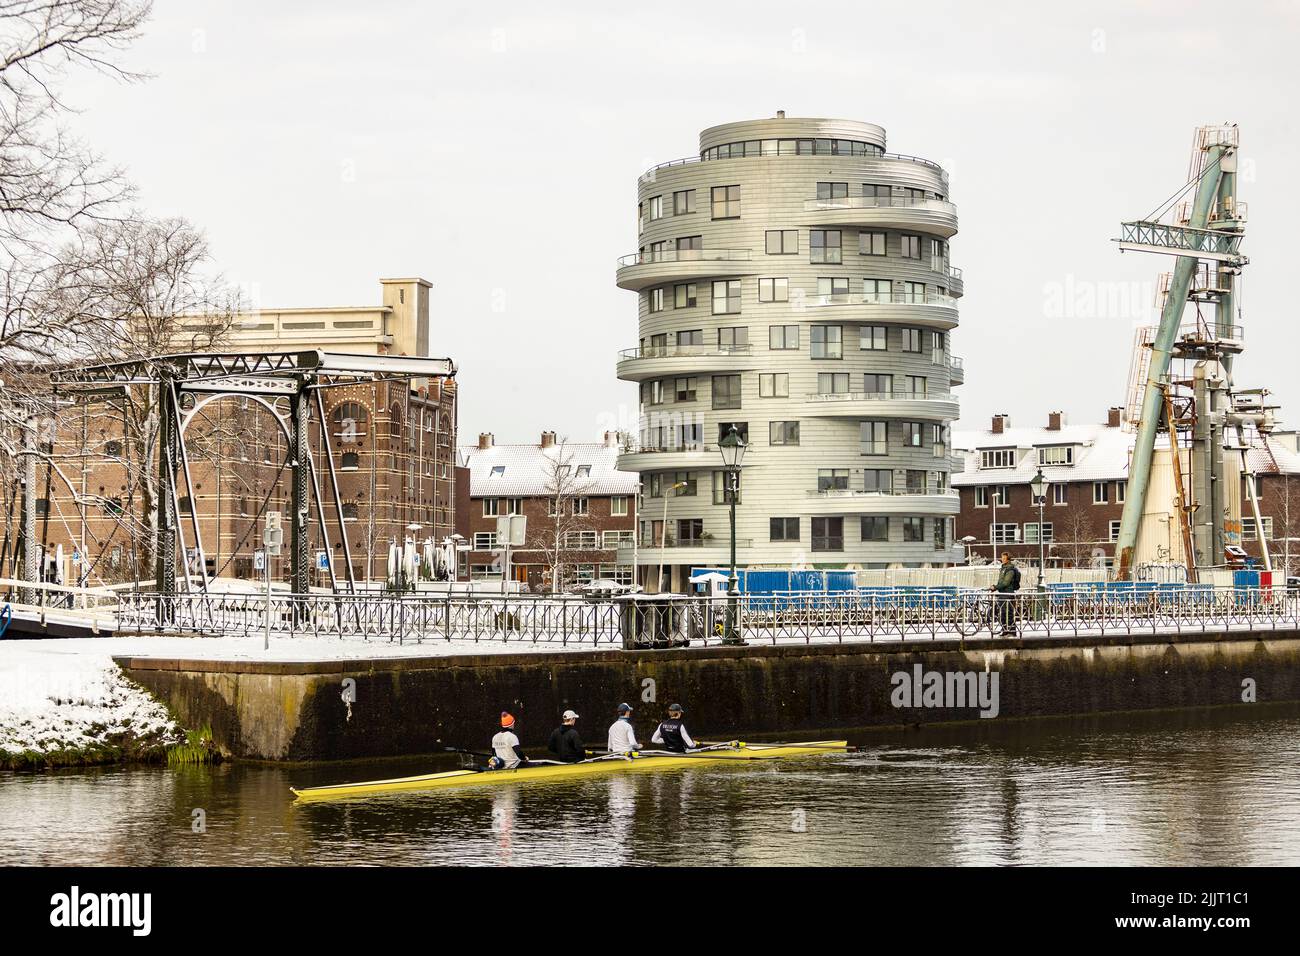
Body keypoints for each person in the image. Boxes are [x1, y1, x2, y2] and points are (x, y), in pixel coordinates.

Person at [991, 551, 1021, 636]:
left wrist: (995, 587)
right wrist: (995, 587)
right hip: (1002, 593)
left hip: (1008, 593)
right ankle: (1005, 629)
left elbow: (1006, 583)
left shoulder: (1010, 569)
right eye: (1002, 557)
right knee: (1003, 613)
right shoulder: (1003, 568)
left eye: (1004, 558)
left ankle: (1012, 631)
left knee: (1008, 612)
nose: (1002, 559)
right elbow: (1001, 581)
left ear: (1008, 559)